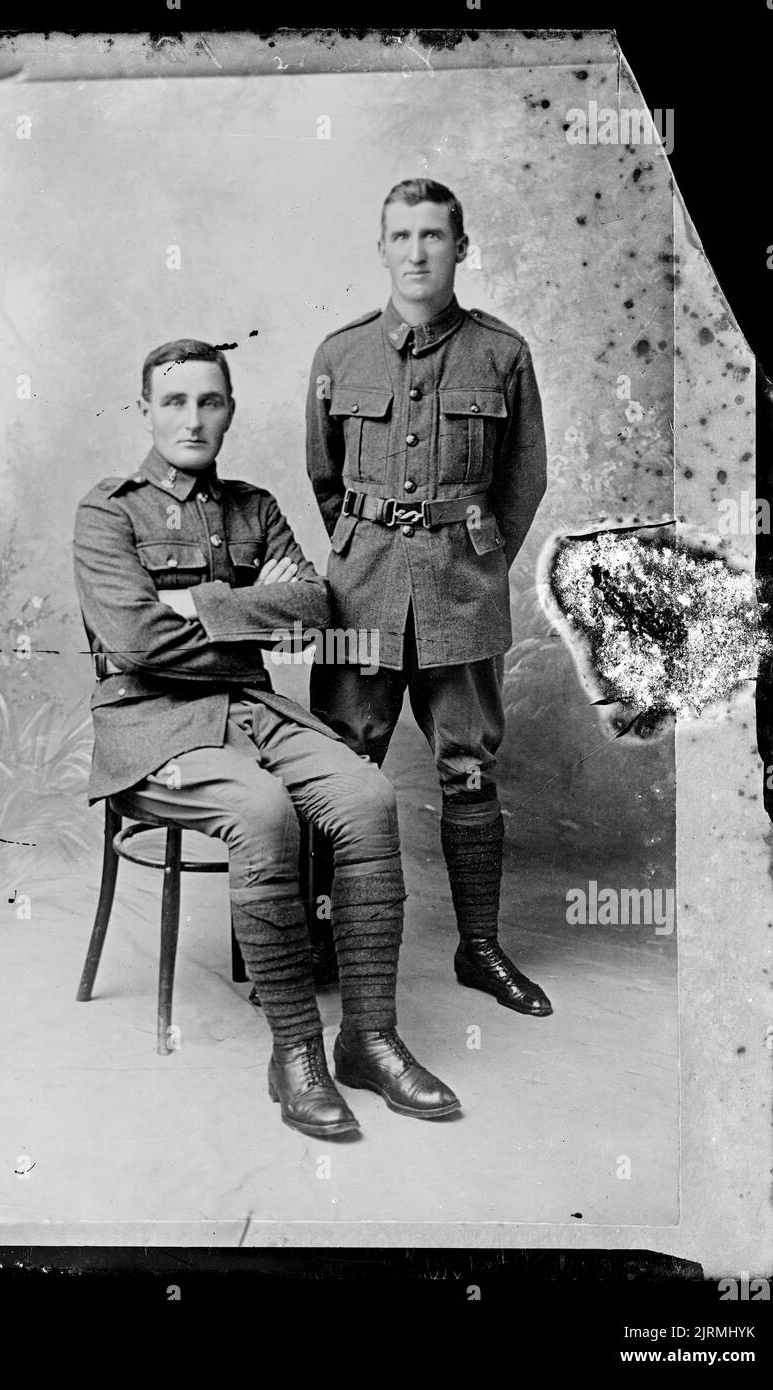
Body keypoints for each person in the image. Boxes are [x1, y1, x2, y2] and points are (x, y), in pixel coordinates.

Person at [73, 337, 461, 1139]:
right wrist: (246, 607)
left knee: (367, 793)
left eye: (209, 402)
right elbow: (139, 644)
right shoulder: (107, 512)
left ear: (229, 412)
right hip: (152, 725)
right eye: (174, 402)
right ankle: (296, 1055)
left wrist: (197, 607)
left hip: (253, 709)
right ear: (145, 409)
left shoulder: (254, 507)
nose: (192, 418)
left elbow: (318, 603)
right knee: (261, 810)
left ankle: (370, 1039)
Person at [306, 179, 553, 1017]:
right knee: (343, 764)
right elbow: (326, 479)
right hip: (362, 589)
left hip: (462, 590)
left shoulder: (501, 353)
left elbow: (523, 482)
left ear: (461, 247)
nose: (417, 253)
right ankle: (327, 939)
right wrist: (365, 548)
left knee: (469, 766)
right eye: (402, 236)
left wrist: (475, 562)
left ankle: (479, 948)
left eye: (434, 237)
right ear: (381, 249)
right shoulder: (339, 355)